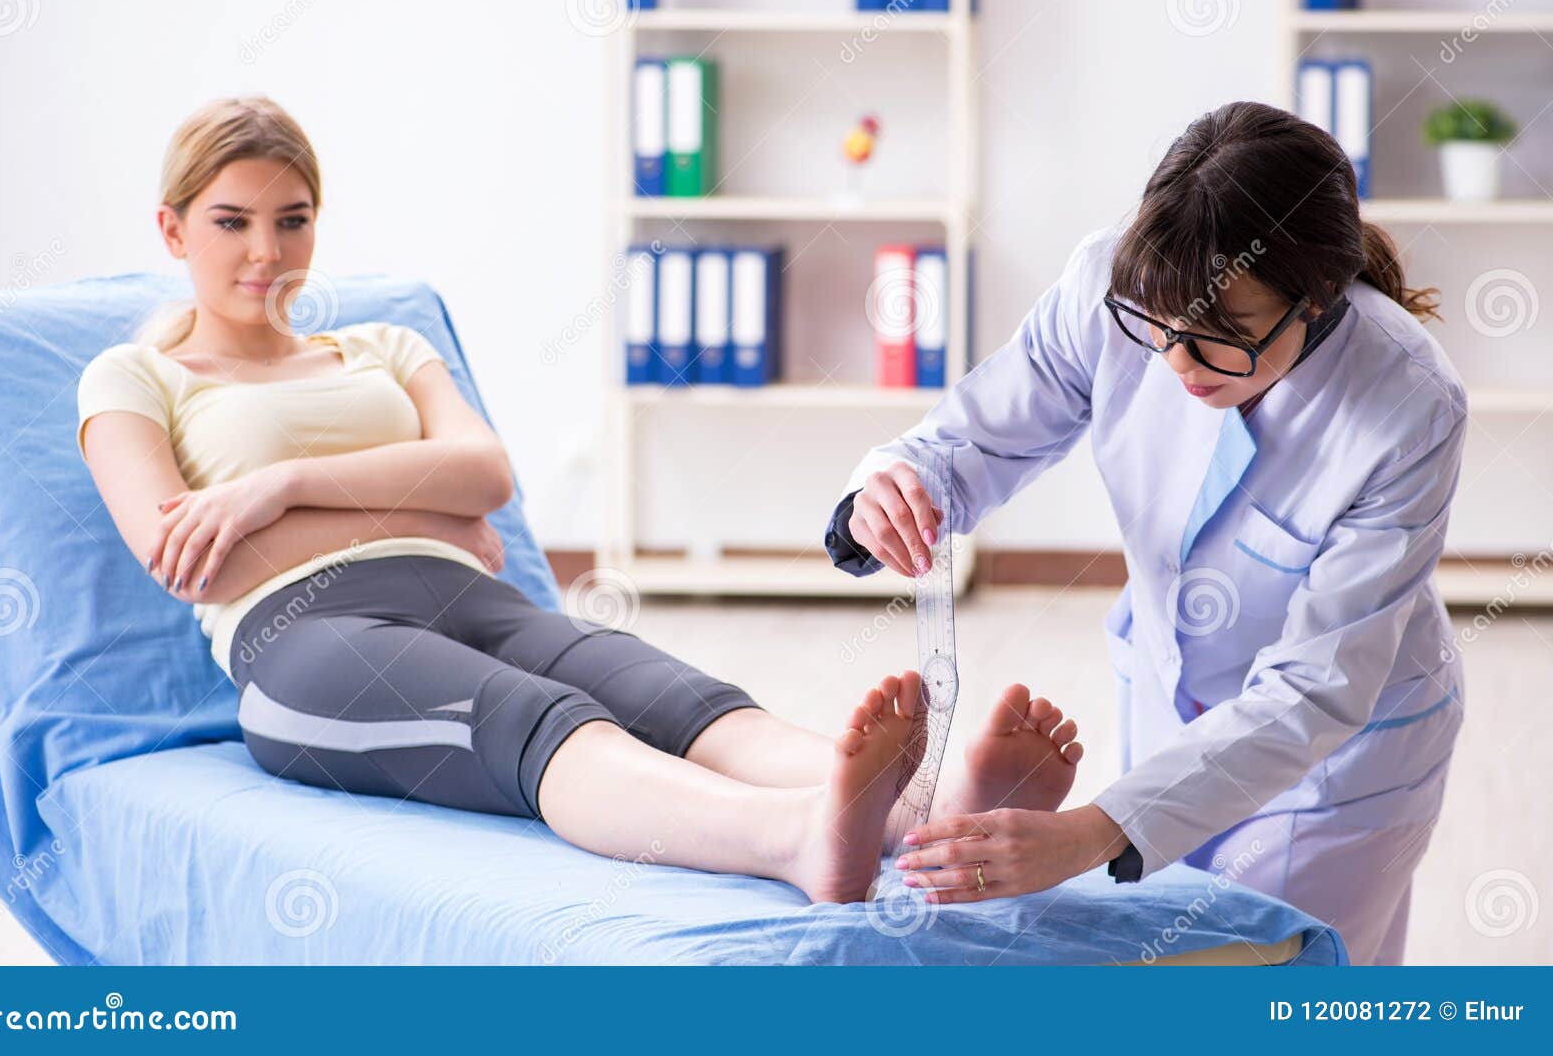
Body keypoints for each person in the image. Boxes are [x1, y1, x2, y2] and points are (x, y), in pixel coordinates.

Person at [75, 96, 1086, 907]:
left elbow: (485, 478)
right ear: (172, 229)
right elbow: (193, 557)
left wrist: (276, 489)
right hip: (302, 644)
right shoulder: (134, 379)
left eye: (292, 221)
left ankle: (934, 808)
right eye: (232, 222)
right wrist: (430, 517)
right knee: (543, 718)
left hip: (473, 600)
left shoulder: (382, 346)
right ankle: (795, 840)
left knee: (669, 695)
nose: (267, 252)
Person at [827, 101, 1464, 963]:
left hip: (1337, 765)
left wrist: (1096, 830)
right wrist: (891, 485)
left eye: (1220, 341)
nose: (1175, 364)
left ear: (1314, 299)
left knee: (1293, 989)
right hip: (1167, 707)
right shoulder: (1113, 284)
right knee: (1161, 963)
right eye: (1158, 331)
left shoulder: (1406, 403)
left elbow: (1316, 687)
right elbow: (980, 432)